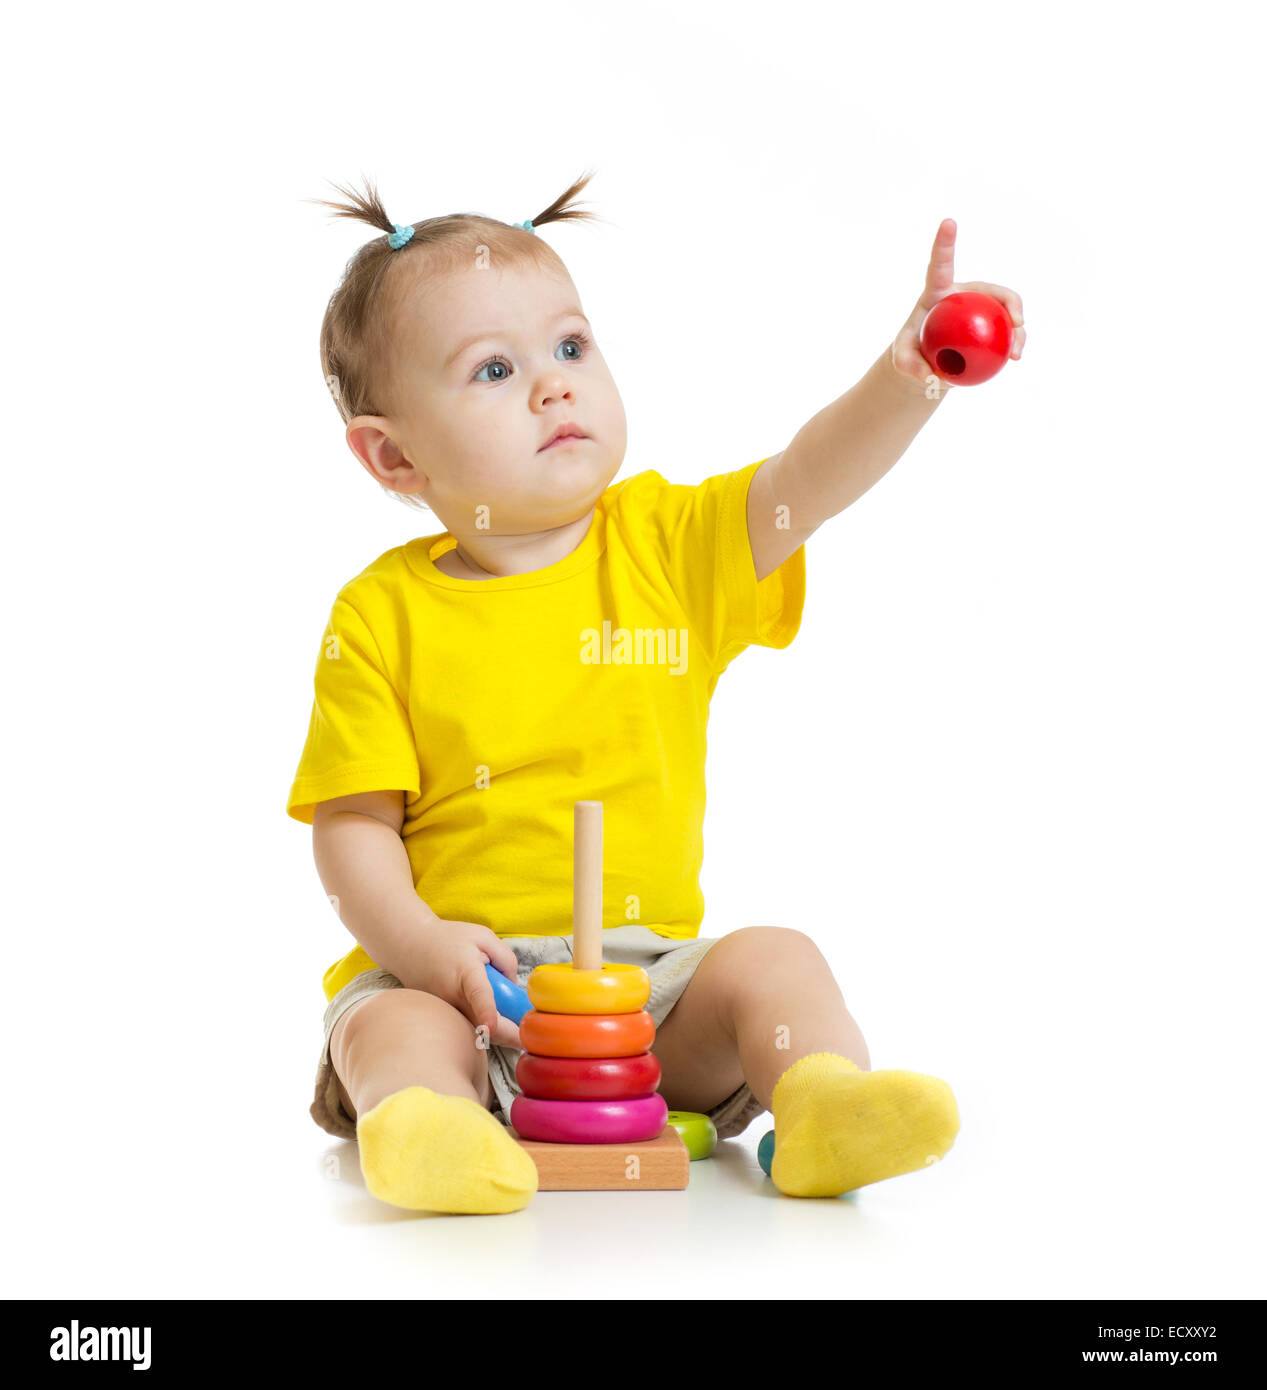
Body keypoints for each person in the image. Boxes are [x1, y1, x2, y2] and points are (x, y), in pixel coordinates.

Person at [288, 169, 1025, 1214]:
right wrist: (424, 949)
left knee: (776, 962)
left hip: (646, 999)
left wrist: (906, 376)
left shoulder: (667, 551)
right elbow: (349, 829)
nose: (553, 384)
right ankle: (434, 1131)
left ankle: (822, 1102)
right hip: (456, 993)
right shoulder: (378, 616)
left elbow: (804, 480)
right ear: (392, 454)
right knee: (386, 1032)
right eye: (494, 369)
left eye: (571, 348)